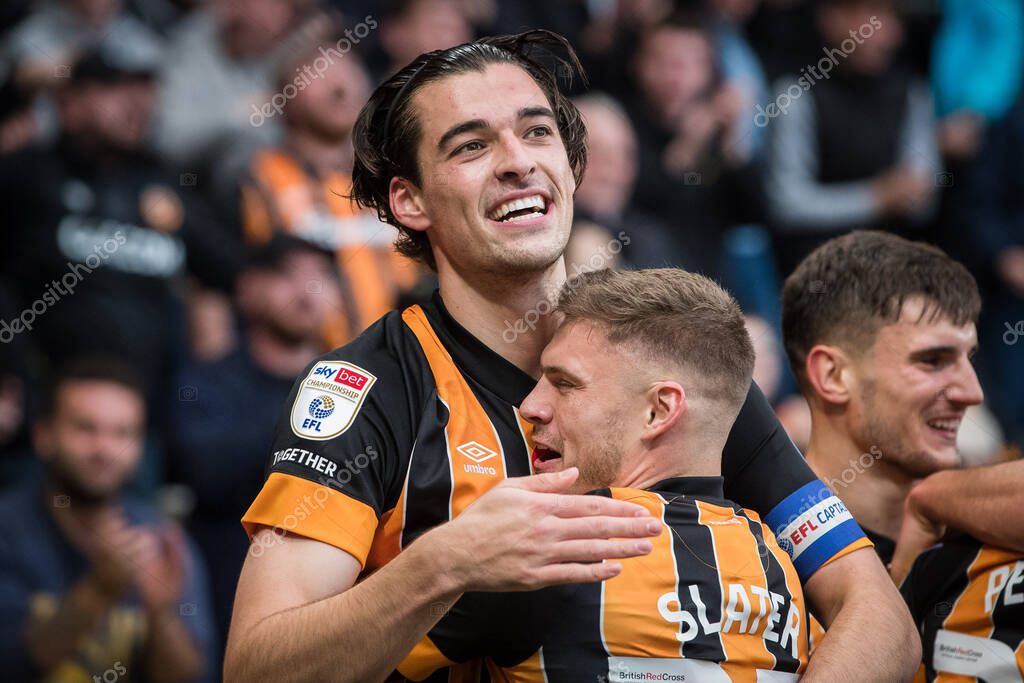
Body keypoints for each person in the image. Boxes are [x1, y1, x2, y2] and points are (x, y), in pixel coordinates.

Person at [225, 30, 918, 683]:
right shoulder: (369, 387)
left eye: (537, 132)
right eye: (470, 146)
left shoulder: (671, 346)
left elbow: (881, 616)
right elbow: (257, 664)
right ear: (409, 200)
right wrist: (443, 565)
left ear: (571, 164)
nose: (518, 161)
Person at [399, 267, 811, 681]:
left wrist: (442, 558)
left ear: (659, 411)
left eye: (565, 384)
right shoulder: (789, 575)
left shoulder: (557, 549)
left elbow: (342, 660)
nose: (530, 406)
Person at [781, 230, 1023, 680]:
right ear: (833, 375)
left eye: (969, 357)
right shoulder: (749, 554)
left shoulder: (993, 529)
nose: (972, 392)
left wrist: (938, 498)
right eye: (933, 360)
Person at [166, 236, 341, 661]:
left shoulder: (354, 382)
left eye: (320, 277)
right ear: (247, 289)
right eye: (287, 276)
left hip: (333, 583)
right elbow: (206, 473)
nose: (307, 292)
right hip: (226, 577)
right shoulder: (204, 383)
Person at [0, 358, 216, 682]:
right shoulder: (8, 531)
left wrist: (162, 614)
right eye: (86, 428)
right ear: (44, 435)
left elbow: (193, 678)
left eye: (122, 433)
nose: (104, 448)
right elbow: (10, 666)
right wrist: (99, 591)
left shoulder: (162, 539)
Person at [235, 40, 419, 349]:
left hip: (412, 362)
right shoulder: (259, 178)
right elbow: (231, 286)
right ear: (284, 96)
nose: (339, 84)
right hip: (309, 370)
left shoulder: (401, 175)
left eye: (348, 68)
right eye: (317, 72)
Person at [766, 0, 941, 275]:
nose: (885, 33)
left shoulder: (911, 92)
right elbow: (787, 203)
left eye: (891, 19)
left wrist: (909, 194)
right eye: (871, 17)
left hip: (892, 264)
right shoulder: (796, 93)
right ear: (830, 18)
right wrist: (875, 198)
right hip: (815, 266)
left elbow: (922, 196)